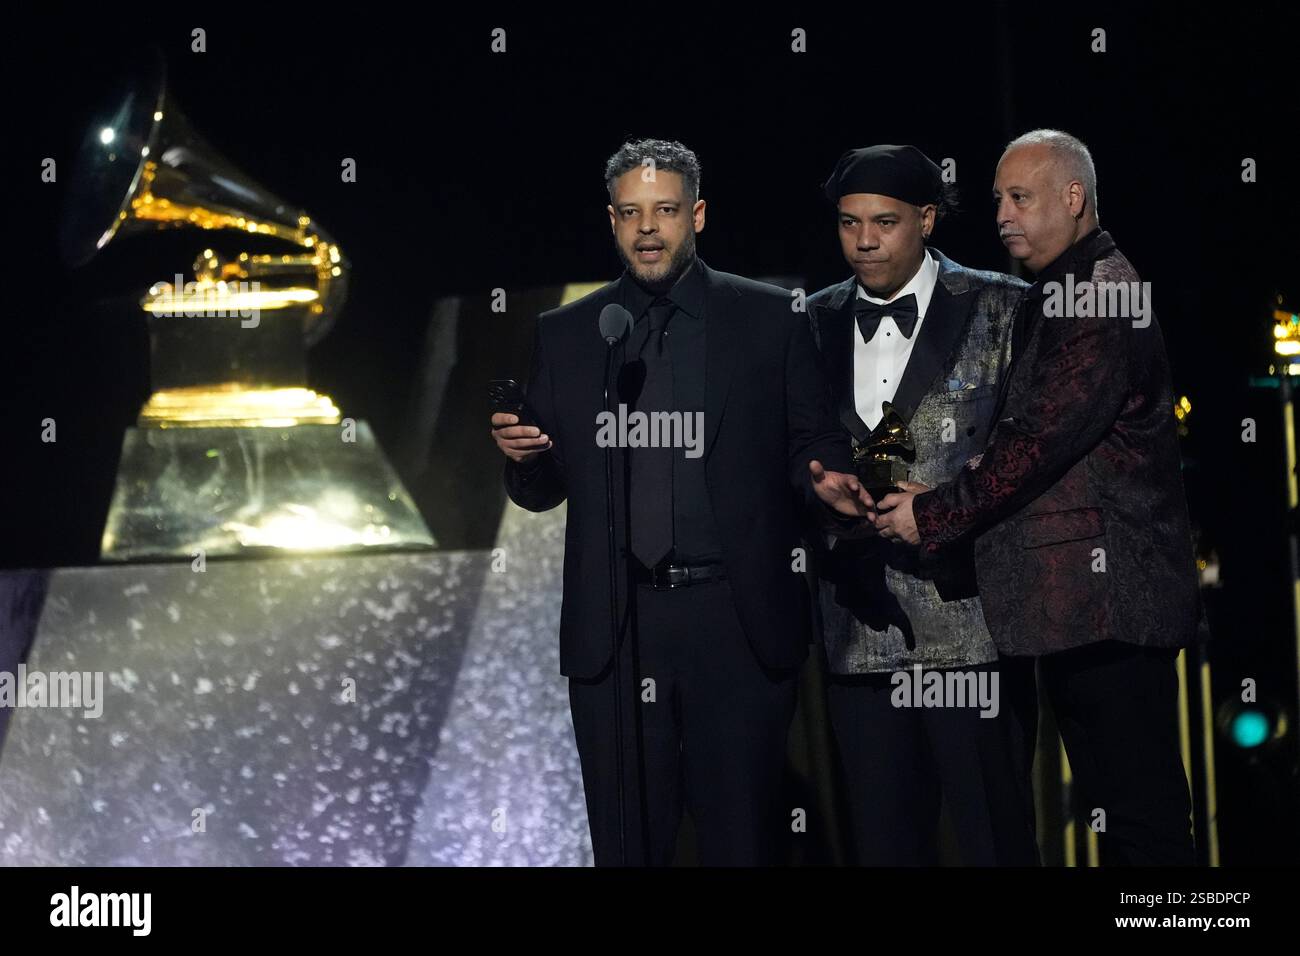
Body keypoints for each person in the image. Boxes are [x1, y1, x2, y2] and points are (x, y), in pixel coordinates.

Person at [491, 138, 869, 865]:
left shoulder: (770, 319)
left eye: (664, 210)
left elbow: (811, 445)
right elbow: (541, 488)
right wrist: (524, 461)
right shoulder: (569, 334)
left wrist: (825, 484)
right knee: (629, 847)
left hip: (736, 620)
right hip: (619, 626)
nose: (647, 229)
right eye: (631, 213)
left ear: (696, 213)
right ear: (611, 220)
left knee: (742, 844)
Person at [874, 129, 1200, 865]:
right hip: (1056, 609)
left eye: (1019, 198)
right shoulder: (1061, 290)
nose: (1002, 216)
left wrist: (931, 510)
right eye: (997, 200)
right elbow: (1023, 438)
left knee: (1138, 818)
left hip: (1097, 602)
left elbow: (1037, 441)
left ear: (1074, 198)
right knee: (1117, 814)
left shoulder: (1081, 294)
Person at [806, 144, 1038, 865]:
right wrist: (820, 495)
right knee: (885, 849)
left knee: (993, 842)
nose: (865, 242)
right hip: (858, 629)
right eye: (849, 225)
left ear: (928, 218)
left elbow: (1031, 455)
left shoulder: (1003, 307)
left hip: (974, 630)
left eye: (884, 223)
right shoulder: (809, 321)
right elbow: (788, 449)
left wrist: (944, 507)